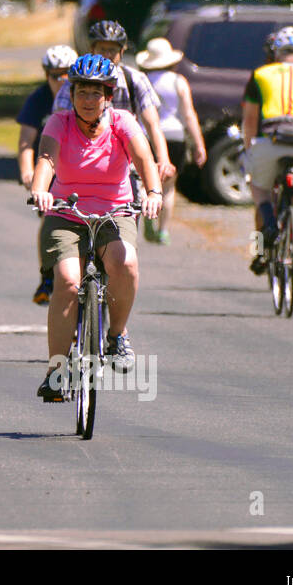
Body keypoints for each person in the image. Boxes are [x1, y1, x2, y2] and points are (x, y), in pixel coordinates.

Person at [30, 54, 163, 401]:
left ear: (108, 96)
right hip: (66, 212)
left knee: (126, 262)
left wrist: (153, 192)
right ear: (71, 95)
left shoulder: (123, 122)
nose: (88, 101)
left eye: (96, 93)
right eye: (81, 93)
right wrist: (40, 190)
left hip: (114, 212)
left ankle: (116, 335)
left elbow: (144, 159)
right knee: (69, 282)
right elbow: (46, 159)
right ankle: (56, 371)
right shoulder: (59, 122)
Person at [241, 26, 293, 302]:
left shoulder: (260, 75)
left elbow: (251, 121)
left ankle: (267, 225)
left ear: (275, 52)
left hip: (271, 142)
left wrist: (249, 149)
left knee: (260, 190)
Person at [53, 21, 175, 192]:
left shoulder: (135, 80)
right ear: (92, 49)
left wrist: (163, 160)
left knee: (141, 202)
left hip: (127, 160)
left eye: (113, 50)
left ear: (122, 51)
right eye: (102, 49)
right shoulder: (75, 83)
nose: (107, 55)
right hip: (82, 158)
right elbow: (59, 123)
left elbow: (153, 125)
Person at [17, 44, 80, 304]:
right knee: (52, 221)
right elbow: (25, 142)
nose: (61, 81)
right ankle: (47, 275)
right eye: (55, 75)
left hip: (77, 170)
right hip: (48, 170)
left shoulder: (83, 98)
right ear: (46, 76)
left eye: (67, 75)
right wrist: (27, 172)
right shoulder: (38, 99)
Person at [135, 38, 208, 244]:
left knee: (143, 180)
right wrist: (198, 143)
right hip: (175, 135)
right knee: (168, 186)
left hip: (146, 134)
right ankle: (163, 230)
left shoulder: (142, 80)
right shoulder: (178, 81)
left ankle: (145, 210)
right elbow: (189, 115)